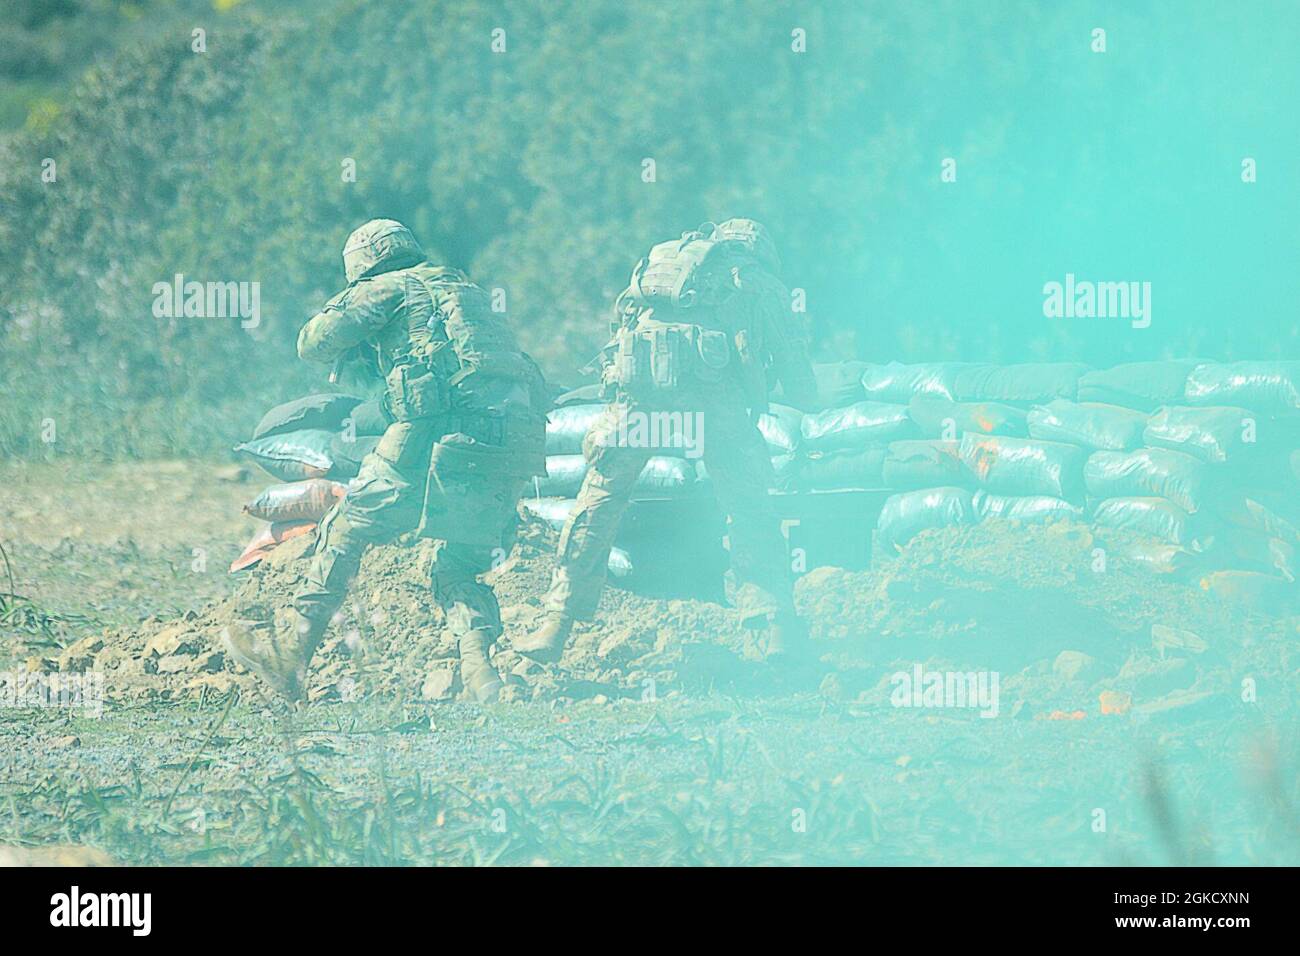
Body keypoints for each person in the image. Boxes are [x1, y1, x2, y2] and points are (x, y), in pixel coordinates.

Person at [223, 219, 548, 702]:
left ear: (363, 268)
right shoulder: (467, 291)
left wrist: (350, 309)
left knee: (346, 526)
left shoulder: (389, 288)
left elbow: (312, 341)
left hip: (438, 436)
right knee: (458, 563)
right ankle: (483, 676)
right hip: (513, 442)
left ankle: (288, 656)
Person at [514, 218, 818, 664]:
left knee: (598, 501)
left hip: (641, 398)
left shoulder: (665, 267)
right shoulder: (759, 283)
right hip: (712, 405)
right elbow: (802, 388)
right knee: (749, 507)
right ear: (760, 251)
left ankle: (554, 625)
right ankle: (775, 632)